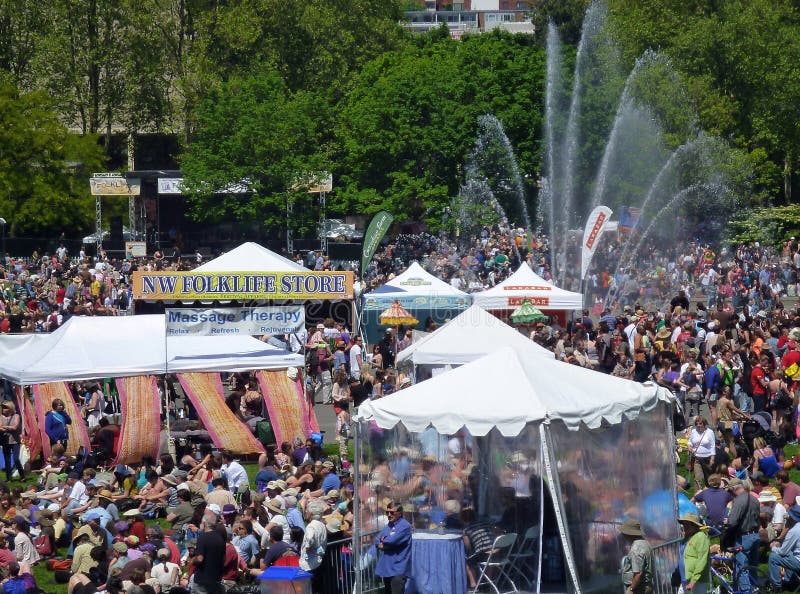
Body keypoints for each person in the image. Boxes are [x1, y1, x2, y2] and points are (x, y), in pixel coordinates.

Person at [726, 477, 761, 592]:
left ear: (734, 489)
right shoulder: (754, 499)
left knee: (742, 567)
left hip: (744, 537)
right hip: (755, 535)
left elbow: (732, 522)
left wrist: (726, 522)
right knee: (753, 566)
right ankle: (755, 588)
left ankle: (746, 591)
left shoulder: (738, 501)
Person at [375, 501, 412, 594]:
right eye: (387, 512)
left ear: (399, 513)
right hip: (387, 568)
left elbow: (392, 540)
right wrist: (383, 541)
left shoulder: (405, 526)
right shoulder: (388, 525)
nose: (389, 515)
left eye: (392, 512)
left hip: (398, 568)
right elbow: (377, 539)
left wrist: (384, 541)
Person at [767, 505, 800, 591]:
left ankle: (776, 586)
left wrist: (773, 547)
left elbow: (783, 552)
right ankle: (788, 580)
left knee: (773, 557)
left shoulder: (794, 531)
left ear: (792, 518)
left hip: (798, 562)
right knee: (790, 554)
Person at [192, 515, 226, 594]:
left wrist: (193, 560)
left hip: (202, 580)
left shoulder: (202, 538)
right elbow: (224, 558)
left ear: (204, 523)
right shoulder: (220, 539)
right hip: (216, 578)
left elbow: (200, 558)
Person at [619, 518, 653, 594]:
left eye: (624, 533)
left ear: (629, 534)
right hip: (645, 586)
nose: (623, 535)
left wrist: (631, 589)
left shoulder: (636, 549)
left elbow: (638, 574)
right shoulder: (645, 543)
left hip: (638, 588)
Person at [679, 512, 709, 594]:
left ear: (694, 525)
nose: (684, 527)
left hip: (697, 581)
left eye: (687, 525)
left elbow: (702, 560)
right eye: (684, 524)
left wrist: (693, 581)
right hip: (685, 579)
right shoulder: (687, 538)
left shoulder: (701, 537)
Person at [687, 416, 715, 491]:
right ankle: (697, 495)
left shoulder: (710, 432)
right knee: (698, 478)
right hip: (697, 458)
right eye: (697, 424)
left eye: (700, 423)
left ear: (704, 423)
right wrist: (689, 446)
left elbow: (712, 446)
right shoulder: (693, 431)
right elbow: (690, 441)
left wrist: (712, 458)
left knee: (708, 477)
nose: (698, 425)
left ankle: (710, 492)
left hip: (707, 458)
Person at [0, 402, 24, 482]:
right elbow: (0, 428)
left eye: (6, 407)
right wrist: (8, 428)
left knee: (16, 459)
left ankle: (22, 476)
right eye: (3, 407)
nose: (4, 409)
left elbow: (15, 427)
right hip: (5, 441)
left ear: (11, 408)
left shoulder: (16, 416)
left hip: (15, 441)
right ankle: (9, 478)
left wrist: (4, 427)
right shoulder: (1, 417)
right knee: (7, 460)